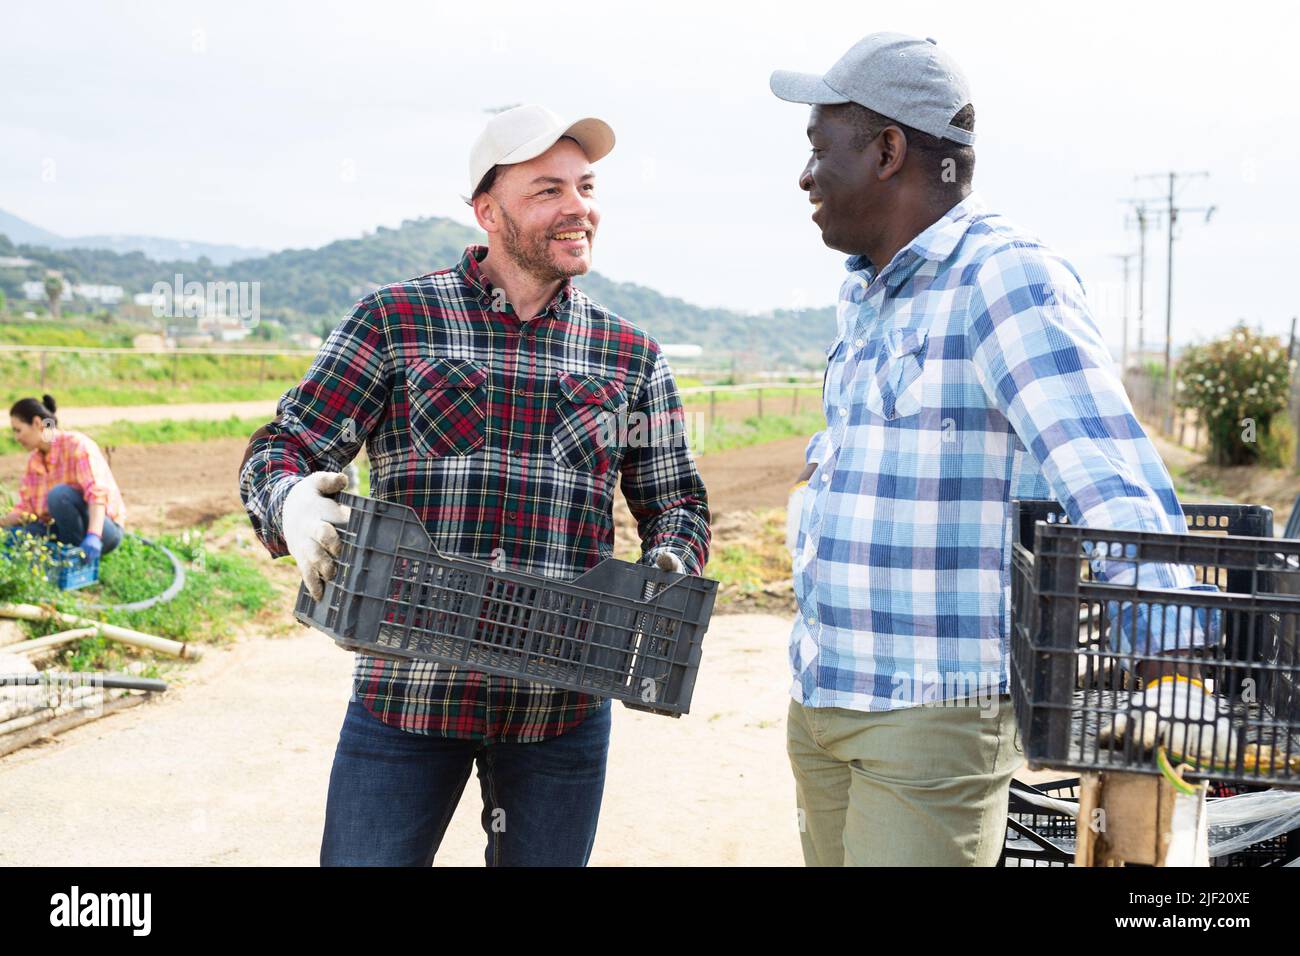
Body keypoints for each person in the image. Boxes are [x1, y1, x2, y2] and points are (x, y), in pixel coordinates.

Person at [770, 32, 1208, 866]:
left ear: (889, 150)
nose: (805, 175)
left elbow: (1101, 466)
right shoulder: (869, 293)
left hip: (929, 719)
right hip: (825, 699)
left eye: (819, 147)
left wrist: (1170, 658)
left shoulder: (1005, 276)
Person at [239, 104, 710, 867]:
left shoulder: (631, 356)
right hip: (408, 694)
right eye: (547, 190)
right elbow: (284, 446)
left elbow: (677, 503)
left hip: (561, 711)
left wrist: (670, 564)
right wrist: (289, 500)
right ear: (488, 211)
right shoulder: (396, 319)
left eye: (585, 187)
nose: (578, 208)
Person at [3, 394, 126, 560]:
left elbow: (96, 494)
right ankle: (66, 558)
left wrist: (94, 536)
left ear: (37, 423)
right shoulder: (34, 462)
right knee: (14, 535)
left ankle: (72, 559)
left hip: (102, 529)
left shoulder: (76, 445)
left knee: (59, 495)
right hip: (66, 528)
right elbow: (27, 509)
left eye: (18, 430)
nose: (16, 438)